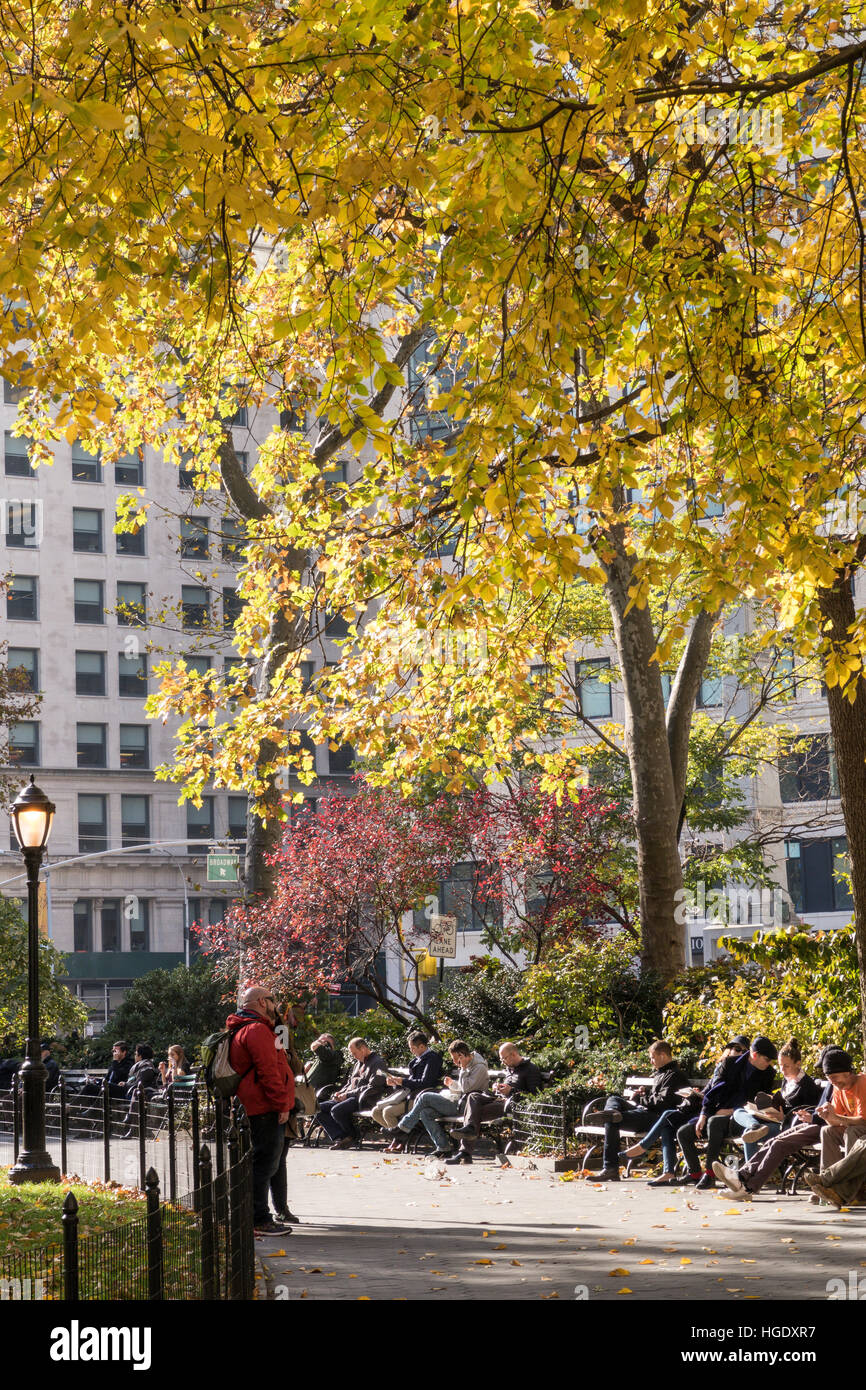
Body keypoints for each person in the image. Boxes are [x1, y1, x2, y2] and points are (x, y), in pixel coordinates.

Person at [713, 1045, 845, 1198]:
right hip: (811, 1122)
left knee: (778, 1144)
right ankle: (742, 1176)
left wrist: (809, 1116)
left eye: (826, 1067)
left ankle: (748, 1187)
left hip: (821, 1126)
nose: (825, 1072)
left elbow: (828, 1112)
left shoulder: (835, 1083)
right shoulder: (831, 1082)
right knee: (773, 1140)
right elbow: (819, 1109)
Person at [621, 1037, 751, 1185]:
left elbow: (740, 1096)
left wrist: (726, 1109)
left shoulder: (742, 1072)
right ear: (728, 1049)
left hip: (720, 1115)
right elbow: (710, 1090)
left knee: (668, 1116)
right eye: (735, 1048)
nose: (738, 1052)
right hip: (704, 1110)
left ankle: (644, 1148)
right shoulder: (720, 1067)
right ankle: (688, 1173)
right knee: (670, 1126)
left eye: (743, 1051)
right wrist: (698, 1093)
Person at [225, 986, 295, 1236]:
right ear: (262, 1002)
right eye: (273, 1000)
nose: (276, 1004)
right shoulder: (256, 1030)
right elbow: (269, 1071)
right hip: (264, 1106)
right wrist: (281, 1104)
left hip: (256, 1105)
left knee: (264, 1162)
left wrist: (283, 1026)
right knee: (265, 1164)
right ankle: (260, 1219)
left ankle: (258, 1215)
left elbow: (283, 1060)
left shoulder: (251, 1028)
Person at [591, 1040, 689, 1182]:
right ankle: (611, 1112)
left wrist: (639, 1099)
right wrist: (644, 1095)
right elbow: (657, 1098)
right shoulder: (662, 1073)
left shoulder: (674, 1075)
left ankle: (610, 1168)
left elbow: (663, 1103)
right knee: (614, 1099)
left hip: (657, 1118)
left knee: (612, 1121)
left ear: (662, 1055)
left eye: (652, 1057)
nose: (651, 1061)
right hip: (647, 1111)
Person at [445, 1041, 545, 1165]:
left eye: (504, 1058)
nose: (503, 1062)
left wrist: (512, 1090)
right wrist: (497, 1086)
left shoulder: (530, 1069)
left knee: (473, 1114)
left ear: (513, 1054)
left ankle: (465, 1152)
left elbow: (535, 1095)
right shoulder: (510, 1068)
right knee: (473, 1096)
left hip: (512, 1103)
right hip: (499, 1099)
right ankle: (469, 1132)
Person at [730, 1037, 821, 1160]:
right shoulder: (787, 1080)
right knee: (738, 1111)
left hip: (787, 1127)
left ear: (798, 1064)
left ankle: (750, 1175)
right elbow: (783, 1103)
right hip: (772, 1121)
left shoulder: (807, 1085)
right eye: (780, 1065)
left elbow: (809, 1116)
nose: (782, 1070)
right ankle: (755, 1126)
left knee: (748, 1135)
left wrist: (784, 1117)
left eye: (786, 1066)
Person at [396, 1041, 489, 1156]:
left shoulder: (479, 1067)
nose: (454, 1062)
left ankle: (403, 1128)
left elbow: (466, 1089)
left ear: (461, 1055)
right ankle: (443, 1148)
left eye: (455, 1059)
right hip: (458, 1101)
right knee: (425, 1113)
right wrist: (452, 1084)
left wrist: (463, 1069)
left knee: (425, 1096)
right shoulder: (468, 1064)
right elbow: (462, 1087)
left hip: (468, 1107)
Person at [372, 1032, 443, 1151]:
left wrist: (403, 1081)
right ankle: (401, 1136)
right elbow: (409, 1083)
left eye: (413, 1048)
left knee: (388, 1112)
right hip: (409, 1095)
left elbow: (426, 1082)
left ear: (422, 1046)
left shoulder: (432, 1059)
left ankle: (399, 1141)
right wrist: (396, 1083)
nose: (411, 1051)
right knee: (375, 1111)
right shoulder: (416, 1060)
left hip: (420, 1098)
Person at [315, 1037, 387, 1149]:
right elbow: (350, 1082)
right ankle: (342, 1137)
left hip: (365, 1099)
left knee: (337, 1110)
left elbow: (373, 1087)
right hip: (351, 1097)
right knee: (318, 1109)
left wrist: (347, 1095)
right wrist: (340, 1093)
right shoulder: (358, 1063)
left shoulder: (378, 1063)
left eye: (354, 1053)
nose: (353, 1056)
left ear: (363, 1048)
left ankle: (352, 1136)